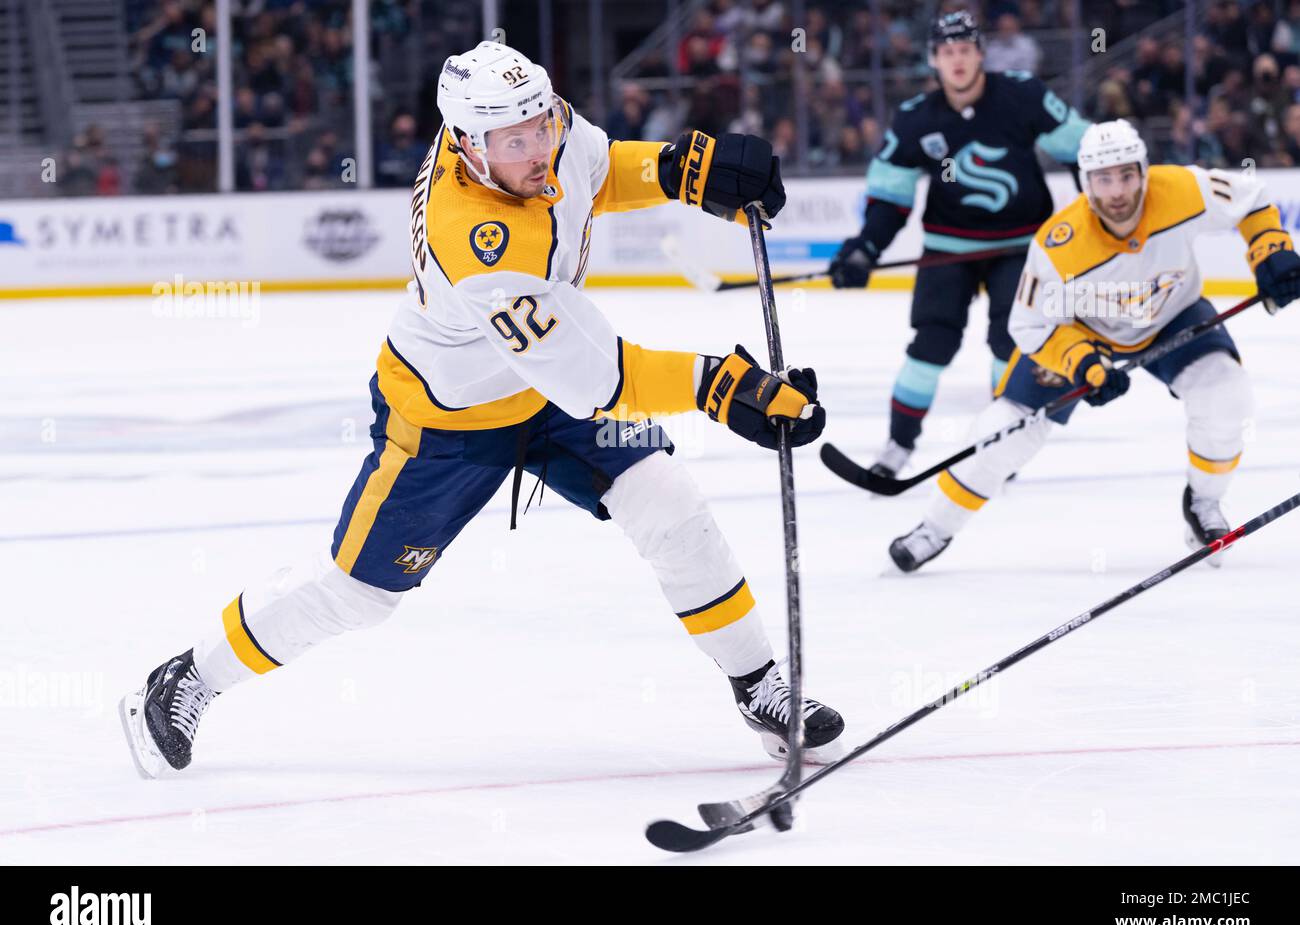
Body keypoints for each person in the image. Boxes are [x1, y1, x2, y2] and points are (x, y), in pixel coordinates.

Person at [120, 42, 844, 776]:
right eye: (517, 141)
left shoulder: (536, 127)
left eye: (542, 126)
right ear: (468, 145)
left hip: (547, 390)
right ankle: (191, 676)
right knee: (358, 595)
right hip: (449, 419)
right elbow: (600, 379)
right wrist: (722, 388)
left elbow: (594, 168)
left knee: (666, 497)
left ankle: (758, 685)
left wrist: (681, 171)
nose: (539, 149)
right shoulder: (480, 242)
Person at [887, 119, 1300, 572]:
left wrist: (1270, 248)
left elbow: (1251, 198)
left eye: (1127, 175)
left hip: (1172, 315)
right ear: (1086, 183)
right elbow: (1031, 326)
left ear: (1144, 170)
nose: (1118, 191)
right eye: (1104, 180)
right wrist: (1082, 361)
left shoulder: (1183, 188)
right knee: (1002, 433)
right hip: (1085, 335)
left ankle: (1203, 502)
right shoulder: (1059, 244)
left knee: (1228, 397)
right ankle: (935, 528)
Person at [828, 10, 1088, 481]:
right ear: (934, 61)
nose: (958, 61)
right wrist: (865, 247)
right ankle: (897, 446)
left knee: (1009, 343)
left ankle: (1000, 444)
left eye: (966, 50)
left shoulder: (1023, 96)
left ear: (981, 54)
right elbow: (889, 197)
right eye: (947, 53)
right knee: (932, 342)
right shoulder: (914, 120)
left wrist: (1098, 216)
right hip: (949, 247)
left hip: (1021, 247)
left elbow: (1082, 150)